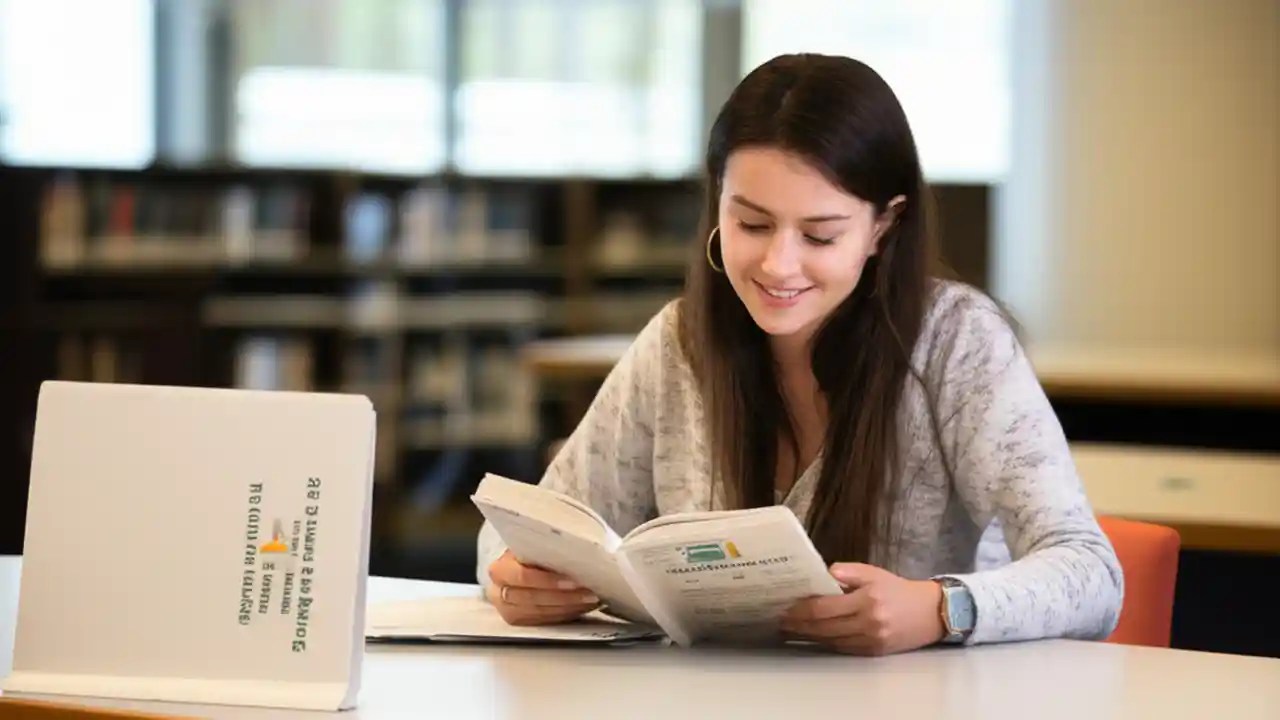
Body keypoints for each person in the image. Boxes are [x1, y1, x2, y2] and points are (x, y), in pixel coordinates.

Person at [476, 53, 1123, 655]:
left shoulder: (957, 344)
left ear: (883, 226)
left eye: (820, 234)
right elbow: (519, 530)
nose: (778, 265)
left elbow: (1091, 571)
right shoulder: (680, 343)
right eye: (751, 224)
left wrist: (941, 608)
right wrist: (512, 577)